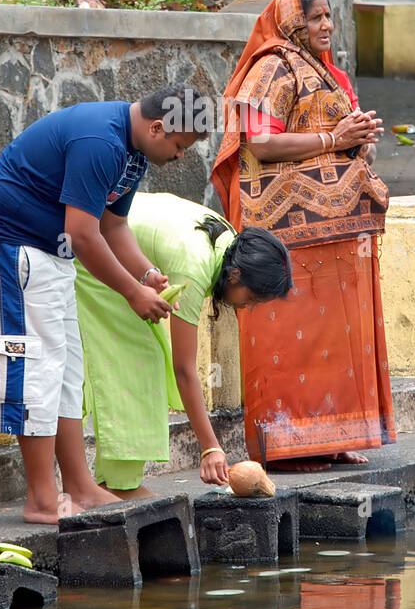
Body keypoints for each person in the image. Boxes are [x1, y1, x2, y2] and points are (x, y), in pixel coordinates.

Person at [0, 85, 208, 523]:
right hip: (7, 251)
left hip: (48, 258)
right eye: (180, 146)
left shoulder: (132, 152)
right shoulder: (101, 141)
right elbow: (83, 234)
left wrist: (146, 274)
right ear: (157, 127)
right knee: (31, 371)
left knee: (65, 371)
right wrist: (132, 294)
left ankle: (80, 488)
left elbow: (114, 226)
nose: (181, 157)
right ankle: (41, 498)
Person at [211, 0, 396, 468]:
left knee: (336, 336)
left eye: (329, 16)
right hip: (283, 233)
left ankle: (333, 439)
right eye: (315, 18)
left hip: (335, 230)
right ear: (294, 21)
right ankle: (286, 449)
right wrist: (333, 137)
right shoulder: (271, 66)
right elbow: (258, 142)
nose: (326, 26)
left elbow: (346, 140)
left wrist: (361, 142)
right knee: (282, 336)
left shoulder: (328, 72)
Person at [74, 192, 293, 498]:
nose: (250, 307)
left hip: (112, 241)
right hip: (94, 252)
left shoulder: (229, 242)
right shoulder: (195, 268)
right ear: (237, 275)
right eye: (253, 298)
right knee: (133, 364)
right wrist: (211, 448)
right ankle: (115, 486)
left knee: (144, 357)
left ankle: (119, 482)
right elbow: (184, 369)